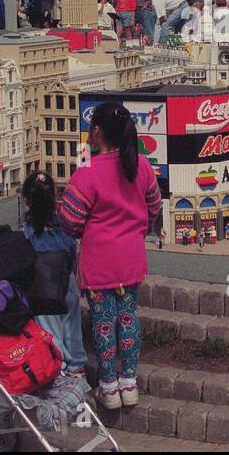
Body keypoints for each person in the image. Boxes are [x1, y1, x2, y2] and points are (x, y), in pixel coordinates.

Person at [55, 102, 162, 410]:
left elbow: (69, 220)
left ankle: (109, 387)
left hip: (99, 262)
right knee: (128, 318)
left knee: (103, 324)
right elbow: (154, 207)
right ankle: (130, 383)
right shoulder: (141, 165)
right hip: (131, 258)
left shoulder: (88, 170)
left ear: (97, 131)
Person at [21, 170, 86, 376]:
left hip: (42, 284)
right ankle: (77, 366)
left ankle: (60, 369)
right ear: (54, 198)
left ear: (26, 200)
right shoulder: (64, 225)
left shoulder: (25, 231)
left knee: (50, 329)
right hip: (67, 279)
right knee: (72, 325)